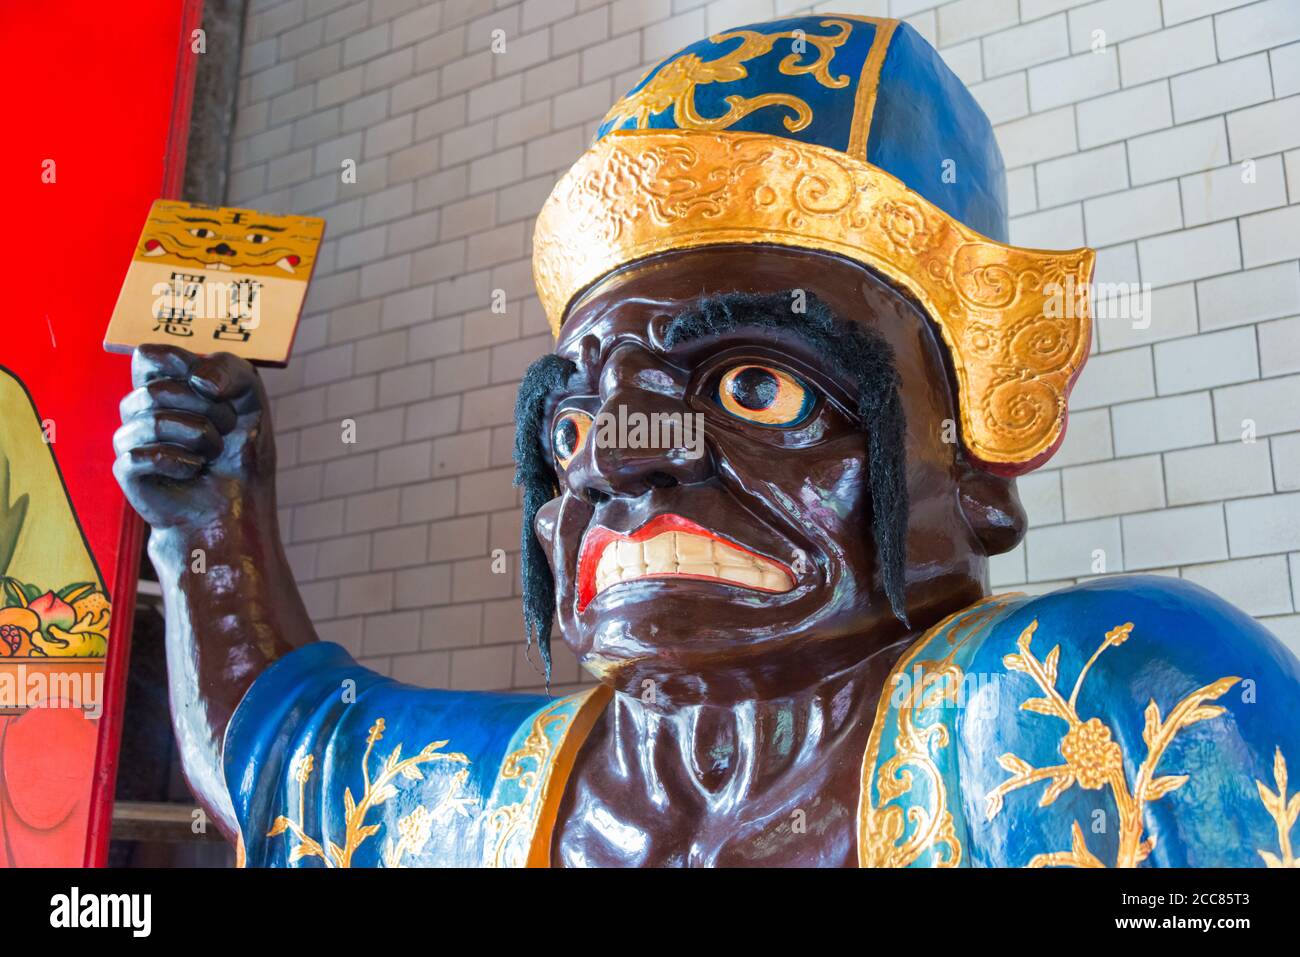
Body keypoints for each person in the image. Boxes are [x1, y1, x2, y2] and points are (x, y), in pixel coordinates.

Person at [113, 15, 1300, 868]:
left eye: (751, 387)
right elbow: (288, 764)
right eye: (575, 418)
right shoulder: (504, 802)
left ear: (978, 459)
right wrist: (211, 522)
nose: (614, 459)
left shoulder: (1093, 709)